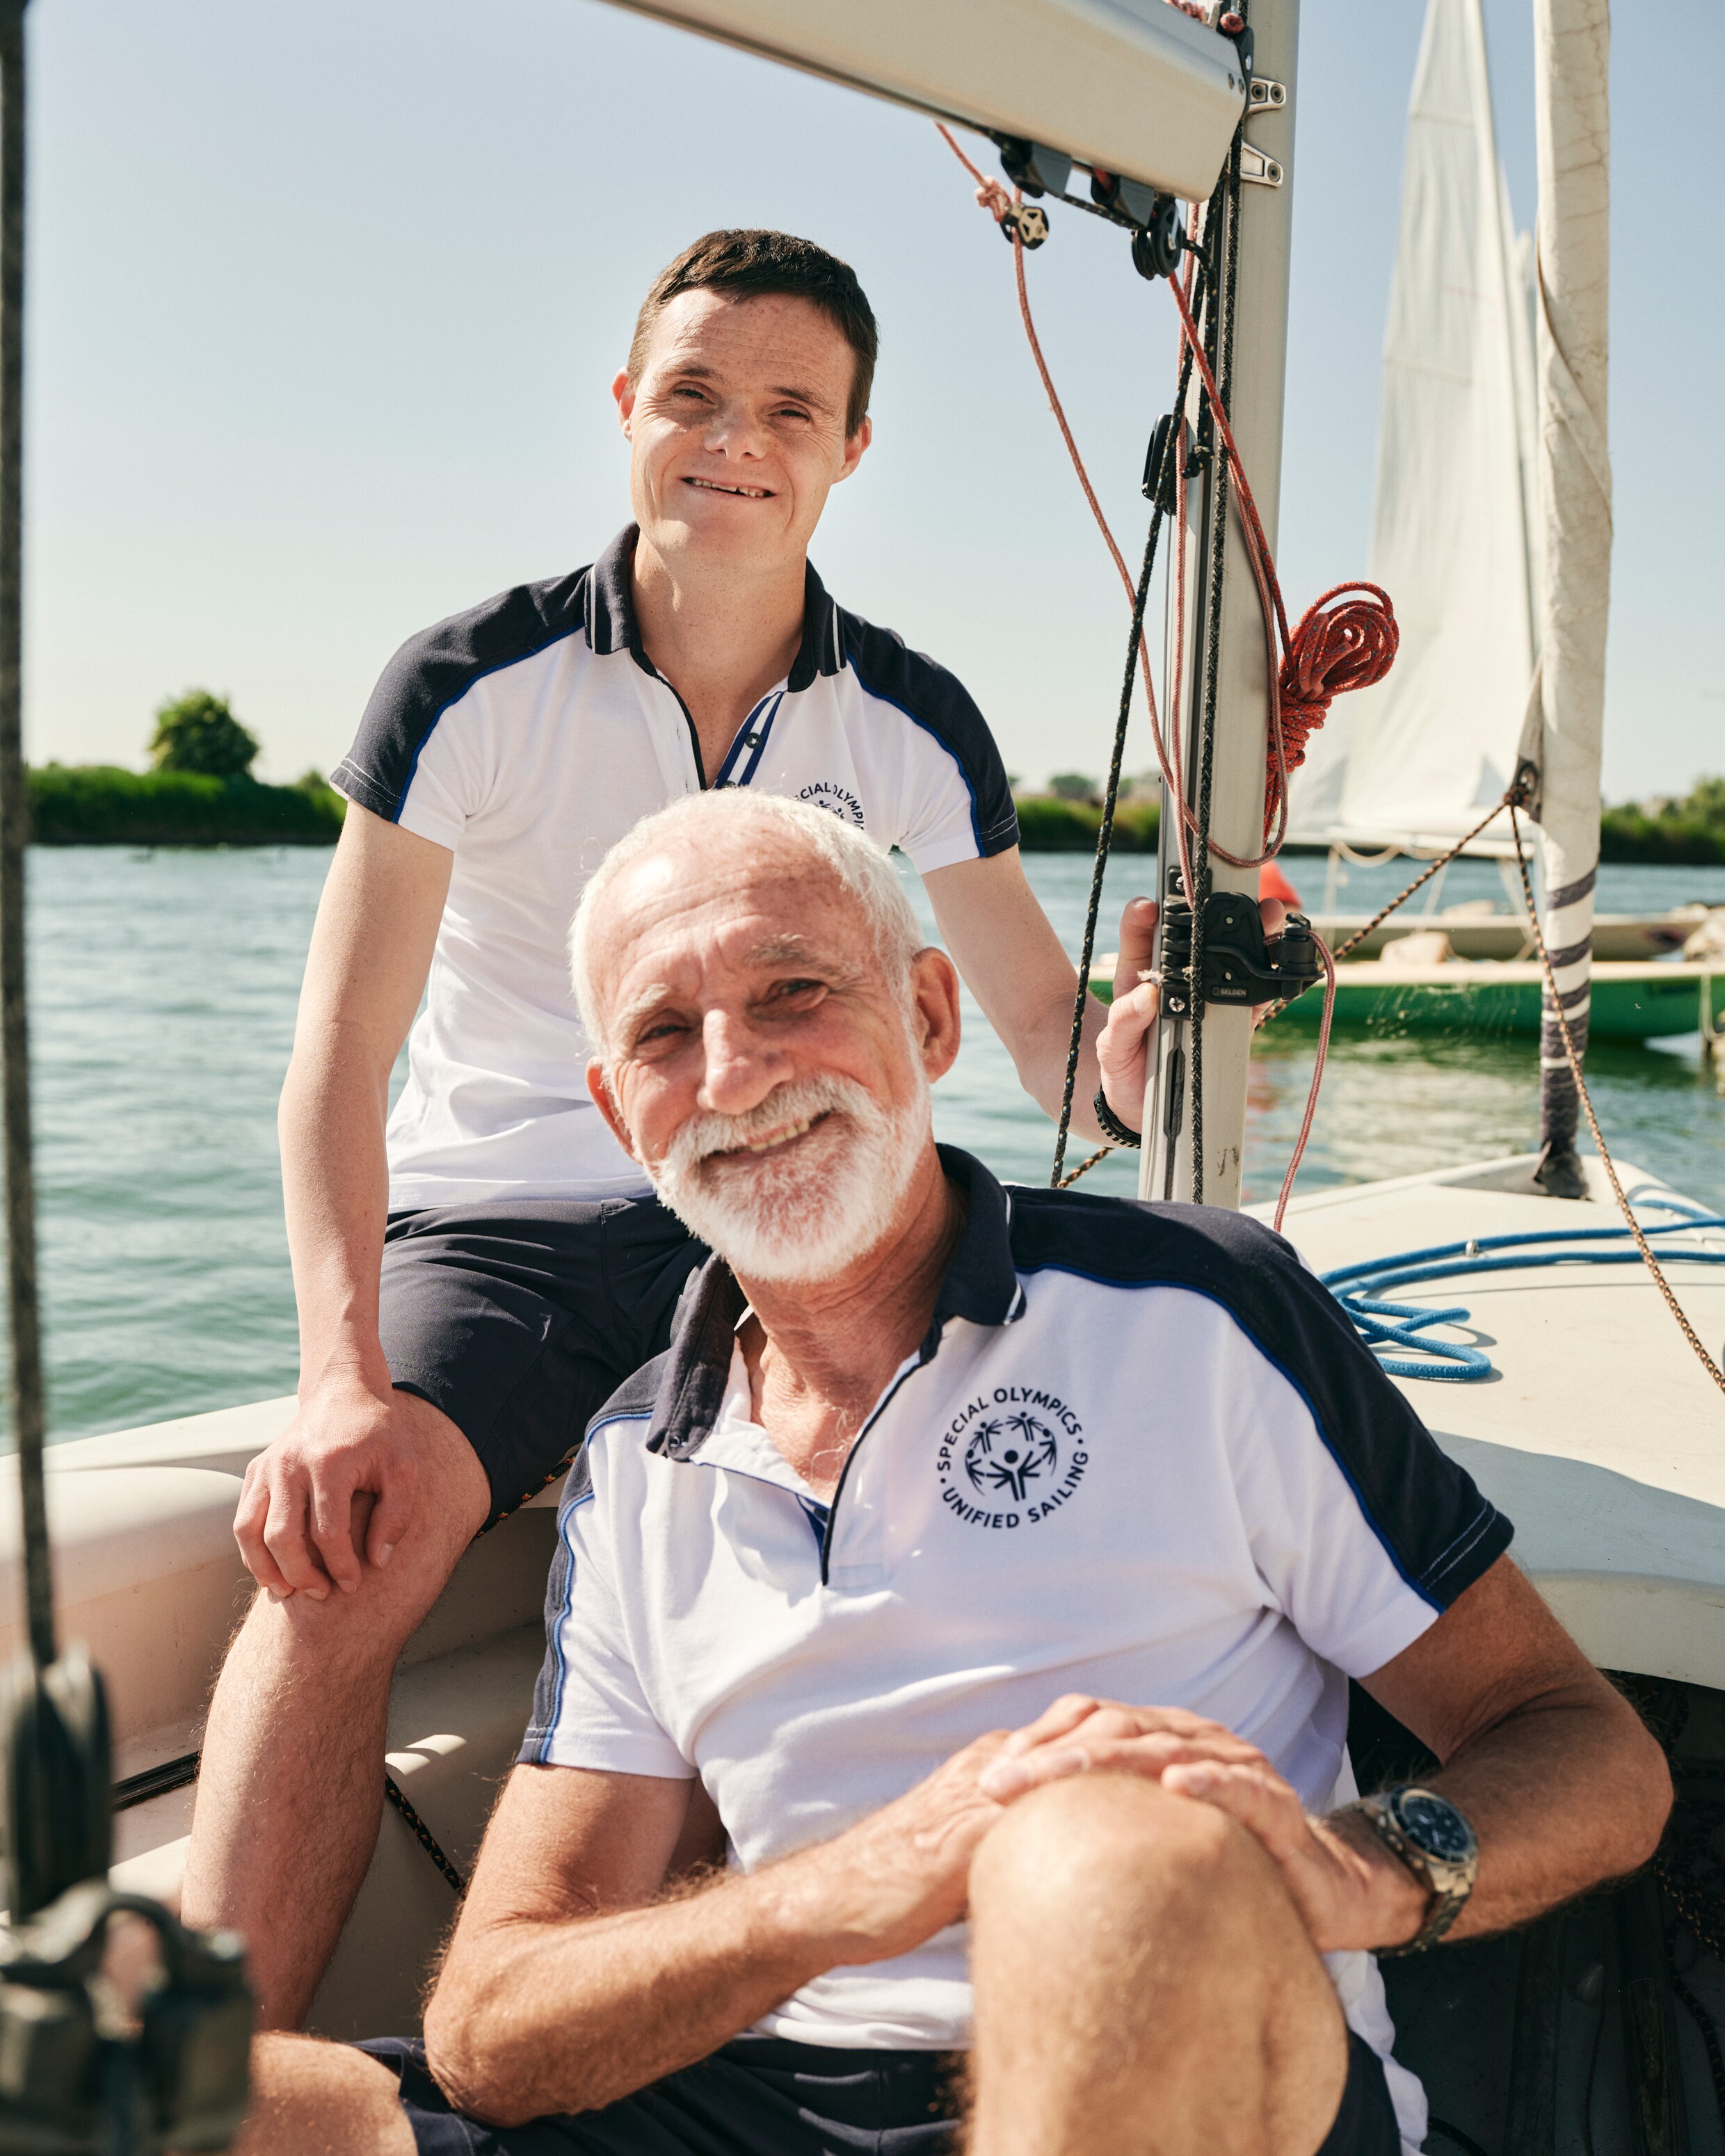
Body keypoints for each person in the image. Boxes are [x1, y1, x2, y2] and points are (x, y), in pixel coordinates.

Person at [224, 791, 1669, 2156]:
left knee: (1095, 1859)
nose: (734, 1072)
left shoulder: (1197, 1312)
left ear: (927, 1014)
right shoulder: (636, 1459)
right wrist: (832, 1892)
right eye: (667, 1031)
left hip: (1189, 2061)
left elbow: (1584, 1744)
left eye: (794, 990)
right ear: (621, 1115)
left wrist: (1370, 1868)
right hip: (752, 2095)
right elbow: (491, 2024)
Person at [182, 227, 1169, 2025]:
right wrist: (339, 1380)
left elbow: (1046, 1040)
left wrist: (1143, 1043)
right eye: (696, 393)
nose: (738, 437)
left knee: (935, 1556)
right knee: (350, 1551)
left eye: (791, 406)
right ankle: (200, 2094)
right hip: (513, 1231)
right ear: (628, 406)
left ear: (852, 448)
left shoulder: (918, 722)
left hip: (806, 1216)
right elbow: (340, 1050)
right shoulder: (464, 682)